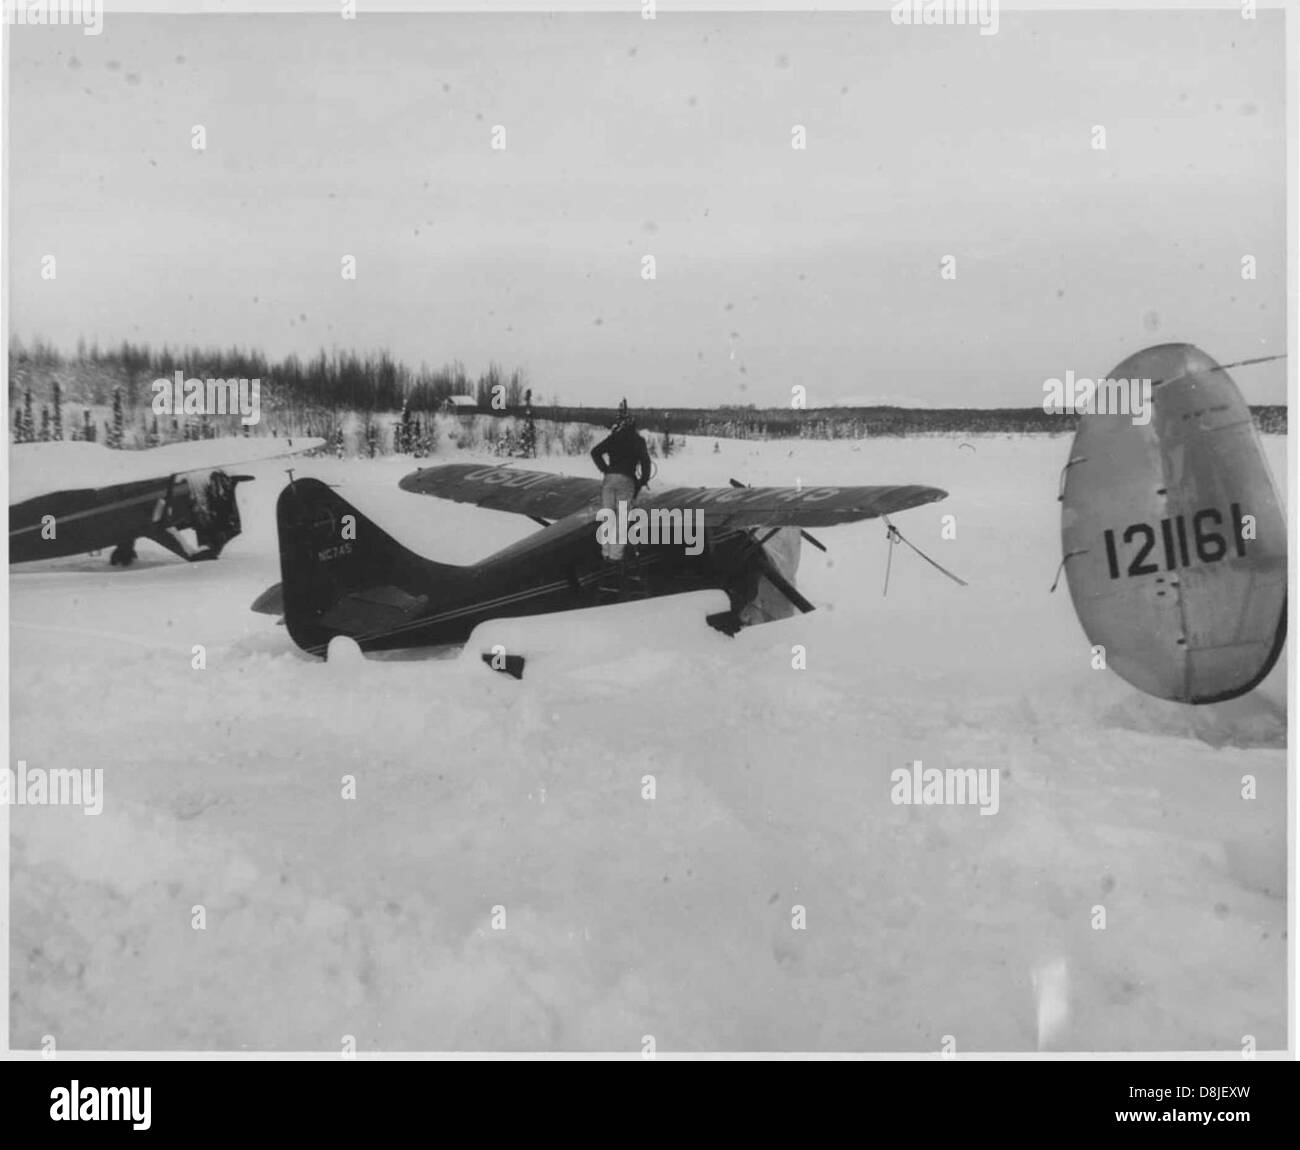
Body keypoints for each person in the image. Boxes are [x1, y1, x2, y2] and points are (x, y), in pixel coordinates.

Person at [590, 399, 652, 563]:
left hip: (609, 481)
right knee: (622, 519)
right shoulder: (639, 441)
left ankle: (605, 552)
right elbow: (646, 463)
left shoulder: (614, 437)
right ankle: (616, 557)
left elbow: (595, 452)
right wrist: (641, 482)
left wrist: (605, 469)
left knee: (608, 516)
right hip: (626, 481)